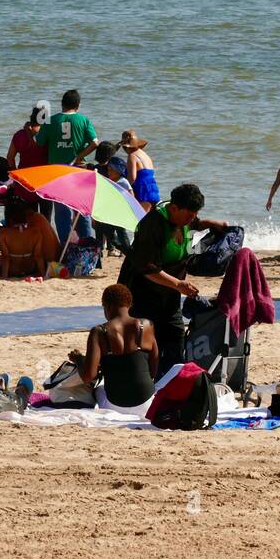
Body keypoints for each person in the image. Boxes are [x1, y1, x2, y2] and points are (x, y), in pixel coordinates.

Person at [116, 183, 227, 377]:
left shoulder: (184, 218)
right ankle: (145, 382)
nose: (192, 219)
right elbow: (147, 268)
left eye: (195, 214)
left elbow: (194, 224)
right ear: (174, 208)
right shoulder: (152, 225)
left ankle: (170, 383)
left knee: (176, 337)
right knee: (146, 340)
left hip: (170, 293)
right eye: (189, 214)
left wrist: (210, 223)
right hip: (143, 292)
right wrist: (178, 284)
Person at [72, 283, 159, 397]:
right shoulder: (147, 325)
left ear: (107, 306)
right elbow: (152, 372)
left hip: (115, 402)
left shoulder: (98, 332)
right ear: (129, 305)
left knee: (93, 390)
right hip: (146, 400)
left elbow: (88, 377)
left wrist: (78, 359)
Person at [36, 90, 99, 244]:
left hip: (57, 170)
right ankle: (87, 244)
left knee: (62, 210)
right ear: (78, 105)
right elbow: (95, 142)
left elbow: (39, 143)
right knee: (81, 209)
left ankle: (65, 246)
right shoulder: (83, 120)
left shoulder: (50, 121)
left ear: (62, 104)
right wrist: (79, 155)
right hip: (78, 168)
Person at [0, 200, 50, 278]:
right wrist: (43, 274)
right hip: (30, 270)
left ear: (10, 218)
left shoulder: (3, 233)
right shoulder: (36, 232)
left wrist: (4, 276)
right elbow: (38, 256)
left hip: (13, 271)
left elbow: (6, 257)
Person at [120, 130, 159, 206]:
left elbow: (132, 178)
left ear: (126, 147)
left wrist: (123, 191)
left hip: (142, 193)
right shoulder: (146, 156)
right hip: (153, 191)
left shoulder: (132, 156)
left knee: (140, 217)